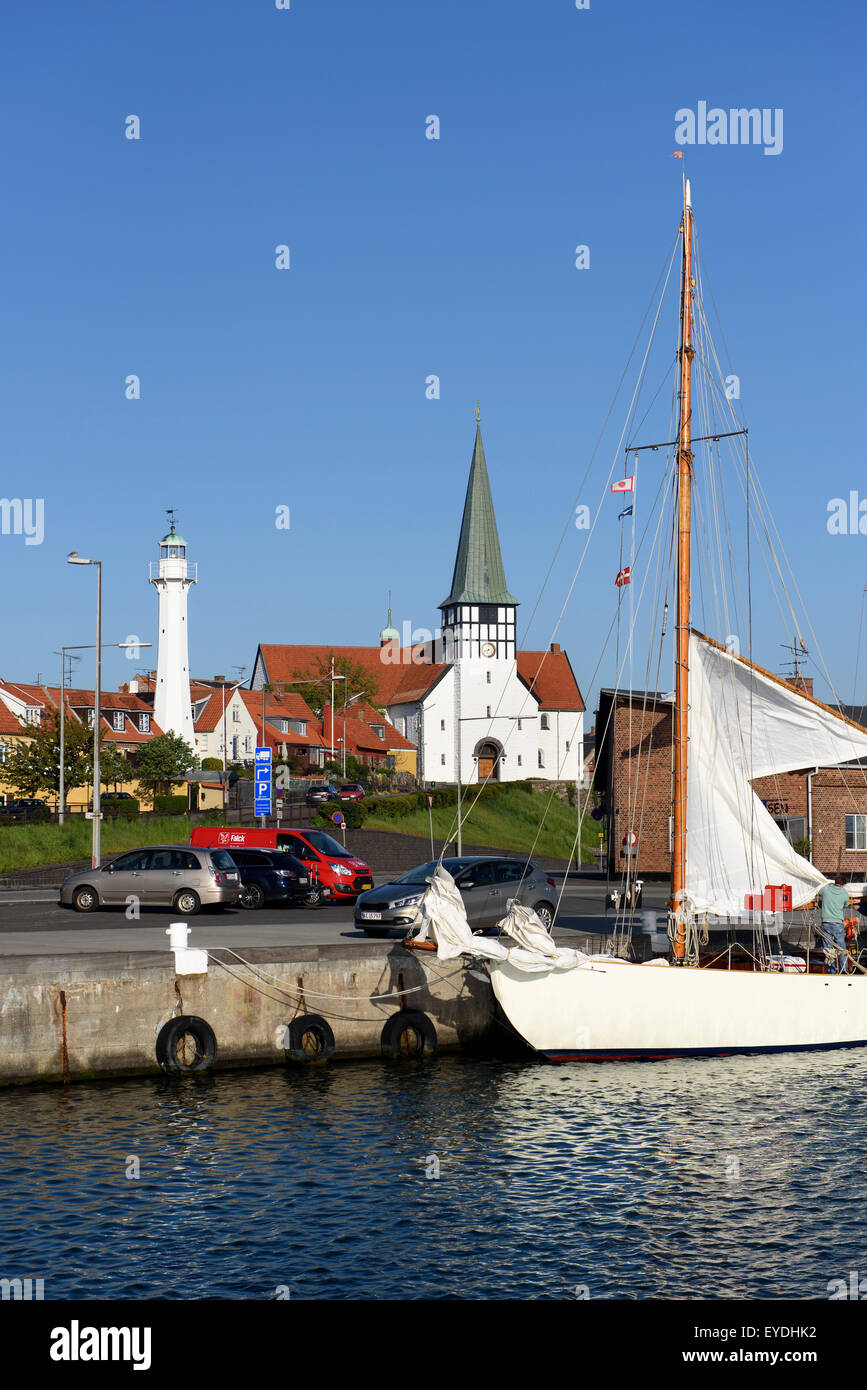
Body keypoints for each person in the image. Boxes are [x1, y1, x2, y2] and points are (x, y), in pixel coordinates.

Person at [817, 875, 851, 975]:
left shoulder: (826, 889)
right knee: (841, 949)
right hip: (838, 923)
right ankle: (844, 971)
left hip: (826, 923)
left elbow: (818, 892)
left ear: (835, 881)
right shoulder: (844, 893)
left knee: (828, 950)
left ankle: (831, 971)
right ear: (843, 884)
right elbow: (846, 904)